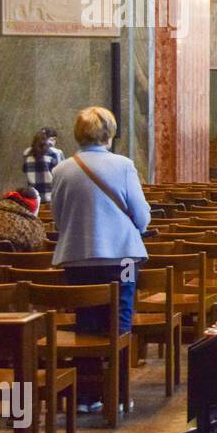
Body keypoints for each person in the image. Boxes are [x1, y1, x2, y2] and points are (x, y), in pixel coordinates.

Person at [50, 107, 151, 410]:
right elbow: (141, 215)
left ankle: (86, 395)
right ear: (109, 133)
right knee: (120, 319)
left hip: (78, 258)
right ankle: (116, 394)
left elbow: (58, 218)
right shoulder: (122, 165)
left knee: (86, 324)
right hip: (122, 258)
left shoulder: (61, 169)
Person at [22, 129, 60, 203]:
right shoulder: (55, 153)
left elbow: (25, 170)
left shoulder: (26, 153)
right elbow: (61, 175)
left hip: (33, 198)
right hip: (52, 199)